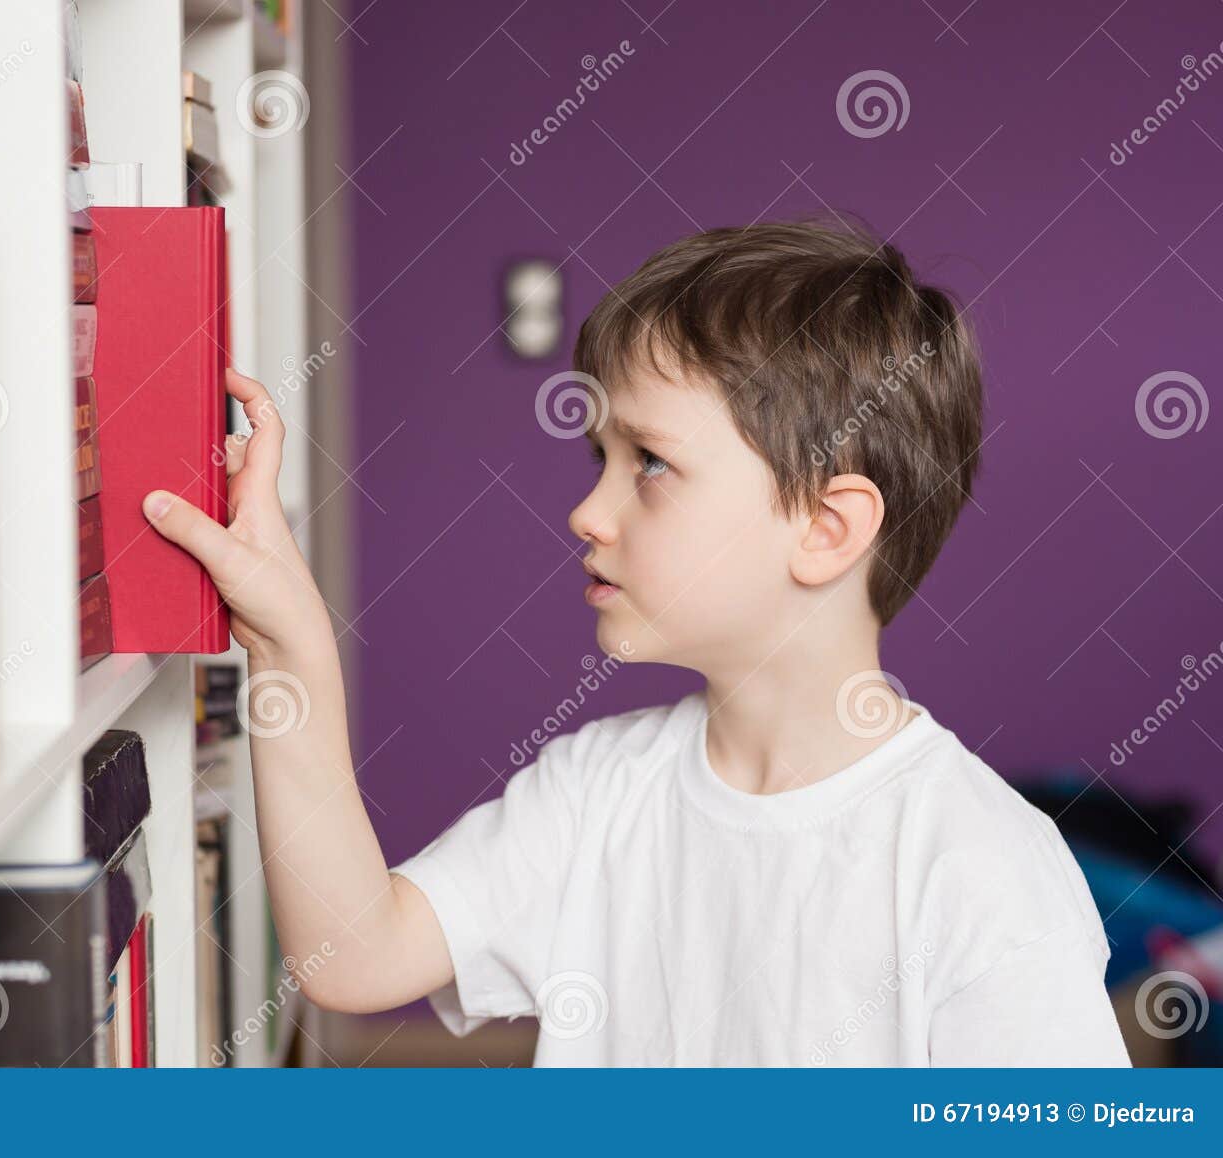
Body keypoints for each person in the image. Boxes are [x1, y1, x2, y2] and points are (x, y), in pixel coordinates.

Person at [140, 218, 1131, 1066]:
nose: (586, 510)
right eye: (599, 457)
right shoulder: (594, 790)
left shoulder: (980, 870)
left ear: (825, 529)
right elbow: (353, 958)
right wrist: (289, 649)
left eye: (648, 463)